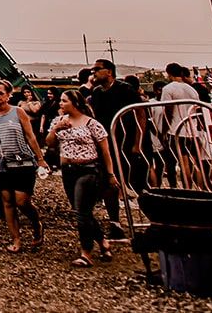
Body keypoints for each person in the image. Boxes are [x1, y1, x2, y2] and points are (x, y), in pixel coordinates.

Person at [46, 89, 118, 267]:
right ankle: (102, 242)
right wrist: (56, 129)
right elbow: (49, 143)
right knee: (81, 210)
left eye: (64, 101)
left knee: (81, 212)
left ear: (75, 103)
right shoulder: (59, 121)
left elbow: (105, 152)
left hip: (87, 169)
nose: (60, 104)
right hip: (67, 169)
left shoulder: (92, 124)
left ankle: (86, 252)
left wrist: (110, 174)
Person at [0, 80, 44, 253]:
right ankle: (16, 238)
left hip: (22, 161)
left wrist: (41, 158)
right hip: (1, 163)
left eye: (0, 93)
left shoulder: (18, 112)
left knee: (22, 201)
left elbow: (30, 136)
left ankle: (36, 224)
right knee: (7, 201)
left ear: (9, 95)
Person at [84, 58, 141, 231]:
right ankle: (115, 222)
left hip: (125, 142)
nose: (93, 72)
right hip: (106, 144)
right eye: (92, 70)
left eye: (97, 69)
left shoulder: (125, 90)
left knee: (132, 180)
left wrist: (138, 142)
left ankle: (145, 218)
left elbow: (140, 113)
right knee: (108, 181)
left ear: (109, 71)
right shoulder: (98, 93)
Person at [161, 62, 209, 188]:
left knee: (184, 163)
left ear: (169, 73)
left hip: (177, 129)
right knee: (195, 162)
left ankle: (187, 188)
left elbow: (168, 110)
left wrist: (164, 129)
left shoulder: (168, 89)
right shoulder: (191, 89)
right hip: (193, 130)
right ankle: (199, 188)